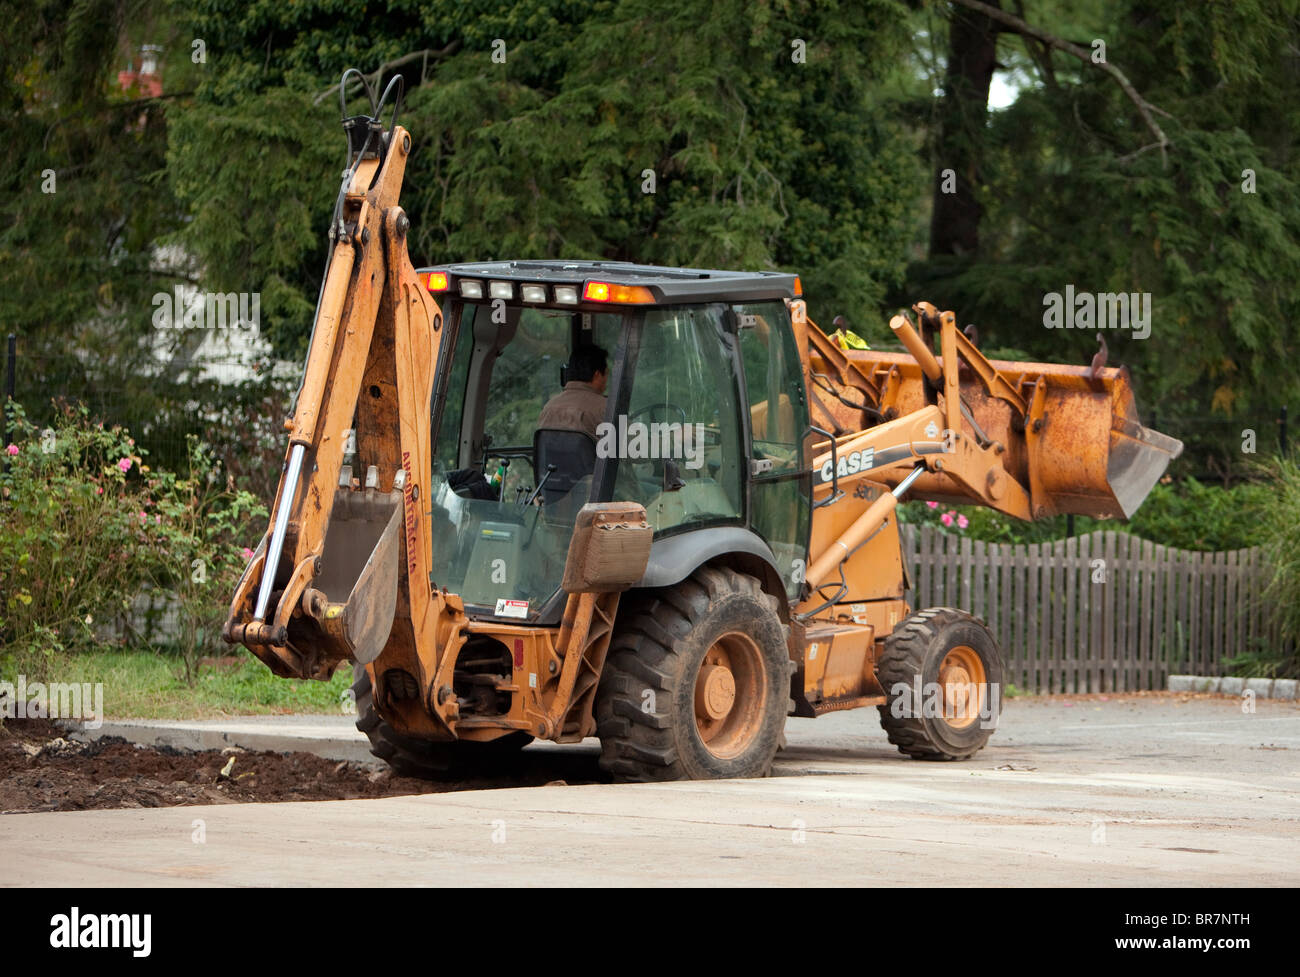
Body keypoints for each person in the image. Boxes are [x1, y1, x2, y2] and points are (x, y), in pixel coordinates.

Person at [536, 343, 608, 441]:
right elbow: (632, 448)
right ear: (597, 375)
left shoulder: (548, 409)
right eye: (607, 374)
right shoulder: (605, 408)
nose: (606, 381)